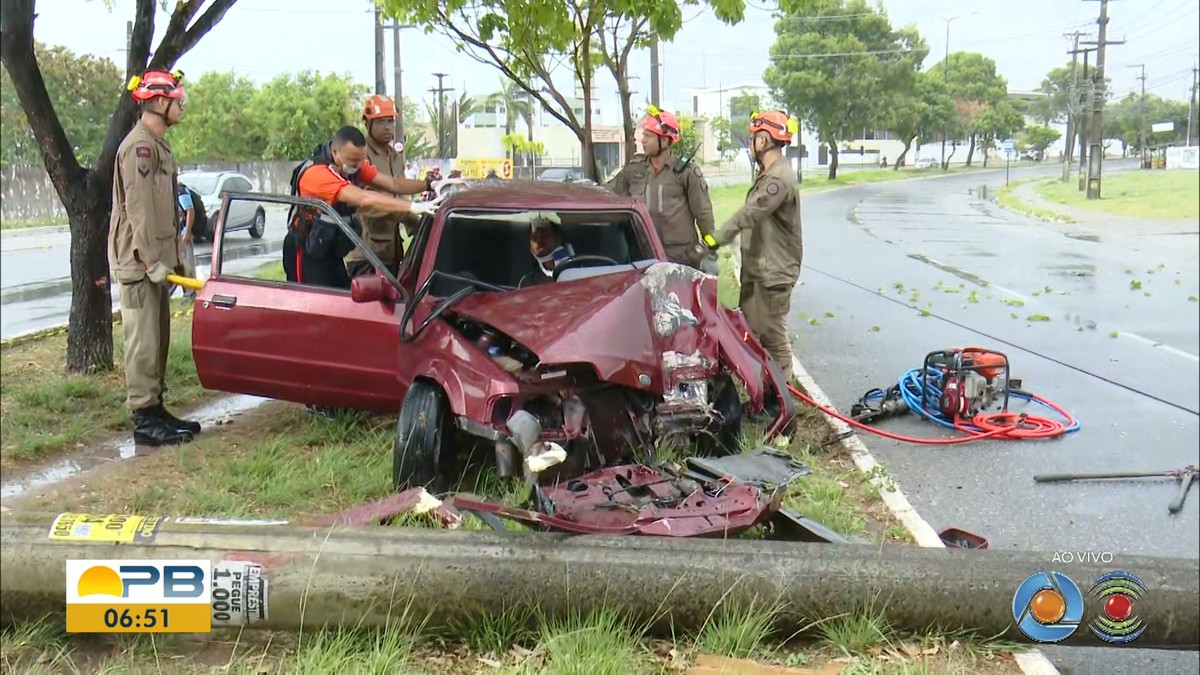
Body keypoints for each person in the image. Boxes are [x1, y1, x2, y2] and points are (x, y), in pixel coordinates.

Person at [108, 69, 200, 447]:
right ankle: (145, 418)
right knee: (142, 341)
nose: (181, 106)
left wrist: (172, 257)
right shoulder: (139, 148)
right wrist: (151, 261)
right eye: (177, 100)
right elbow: (140, 210)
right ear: (160, 103)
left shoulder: (158, 144)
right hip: (140, 262)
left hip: (158, 261)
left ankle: (156, 408)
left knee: (157, 338)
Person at [705, 110, 803, 385]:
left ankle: (783, 406)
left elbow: (750, 213)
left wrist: (716, 238)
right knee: (757, 334)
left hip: (773, 273)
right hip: (761, 269)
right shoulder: (770, 174)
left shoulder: (777, 179)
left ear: (764, 141)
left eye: (753, 138)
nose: (751, 144)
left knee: (773, 338)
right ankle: (769, 396)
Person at [283, 126, 438, 289]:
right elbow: (363, 198)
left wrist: (430, 184)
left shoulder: (350, 164)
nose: (358, 166)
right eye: (353, 161)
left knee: (341, 296)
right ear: (335, 152)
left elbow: (393, 184)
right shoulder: (317, 175)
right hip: (306, 249)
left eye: (361, 160)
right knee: (313, 303)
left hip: (328, 248)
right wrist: (412, 207)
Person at [606, 106, 716, 271]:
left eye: (648, 136)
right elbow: (608, 194)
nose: (643, 140)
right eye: (643, 135)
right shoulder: (634, 170)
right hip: (643, 257)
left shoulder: (687, 173)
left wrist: (710, 253)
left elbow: (704, 216)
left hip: (680, 260)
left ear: (665, 140)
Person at [344, 95, 423, 279]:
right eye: (381, 121)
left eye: (391, 121)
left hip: (391, 251)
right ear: (367, 123)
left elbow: (398, 191)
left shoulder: (394, 155)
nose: (388, 127)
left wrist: (421, 223)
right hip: (366, 254)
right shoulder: (360, 155)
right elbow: (366, 203)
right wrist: (406, 212)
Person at [518, 214, 574, 288]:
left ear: (558, 239)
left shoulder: (577, 275)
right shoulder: (528, 282)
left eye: (545, 235)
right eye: (534, 237)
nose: (539, 240)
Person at [174, 182, 197, 299]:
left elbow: (190, 211)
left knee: (186, 263)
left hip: (182, 234)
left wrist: (187, 234)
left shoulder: (180, 190)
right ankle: (187, 291)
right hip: (174, 234)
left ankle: (190, 292)